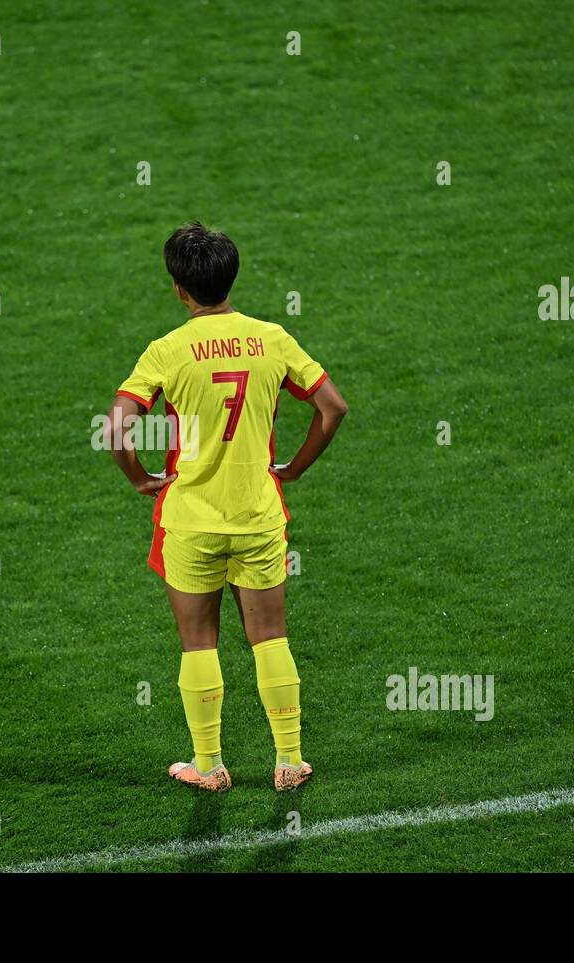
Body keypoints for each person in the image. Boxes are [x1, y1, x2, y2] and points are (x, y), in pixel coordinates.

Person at [105, 222, 348, 791]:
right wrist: (293, 467)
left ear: (179, 289)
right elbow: (332, 408)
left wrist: (142, 479)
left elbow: (118, 430)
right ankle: (289, 760)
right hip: (259, 515)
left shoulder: (167, 350)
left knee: (199, 642)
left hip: (190, 519)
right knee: (270, 637)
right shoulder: (272, 338)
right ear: (230, 279)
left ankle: (209, 767)